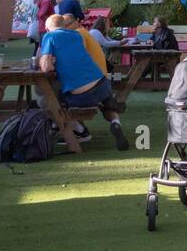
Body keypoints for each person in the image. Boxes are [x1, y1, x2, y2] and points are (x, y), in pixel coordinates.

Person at [38, 14, 129, 150]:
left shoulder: (49, 36)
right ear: (65, 26)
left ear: (47, 29)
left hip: (81, 96)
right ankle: (115, 122)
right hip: (102, 84)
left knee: (47, 98)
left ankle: (79, 131)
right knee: (105, 100)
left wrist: (44, 60)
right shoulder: (77, 36)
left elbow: (46, 67)